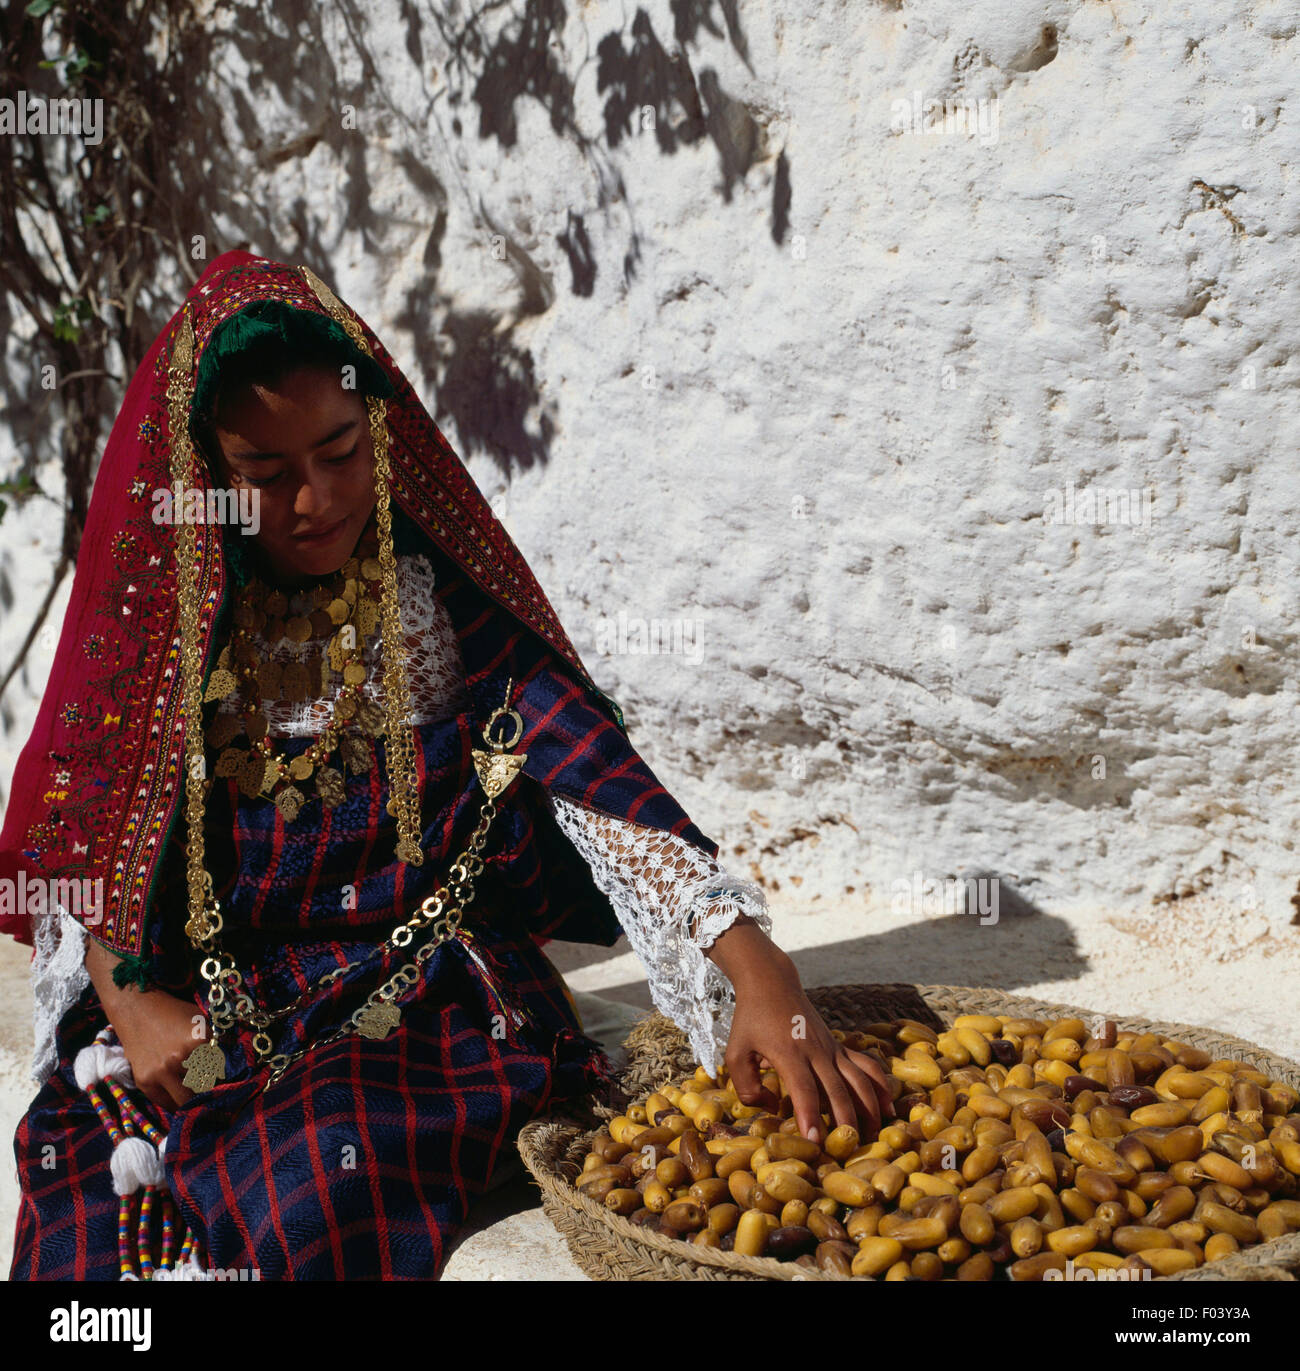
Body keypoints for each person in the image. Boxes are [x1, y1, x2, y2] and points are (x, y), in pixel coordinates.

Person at [0, 251, 891, 1280]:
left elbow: (597, 787)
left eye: (340, 448)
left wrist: (756, 969)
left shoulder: (440, 609)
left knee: (326, 1175)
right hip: (215, 991)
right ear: (205, 475)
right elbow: (94, 823)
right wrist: (128, 1000)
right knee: (95, 1218)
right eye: (265, 475)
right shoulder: (168, 629)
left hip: (421, 990)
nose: (315, 498)